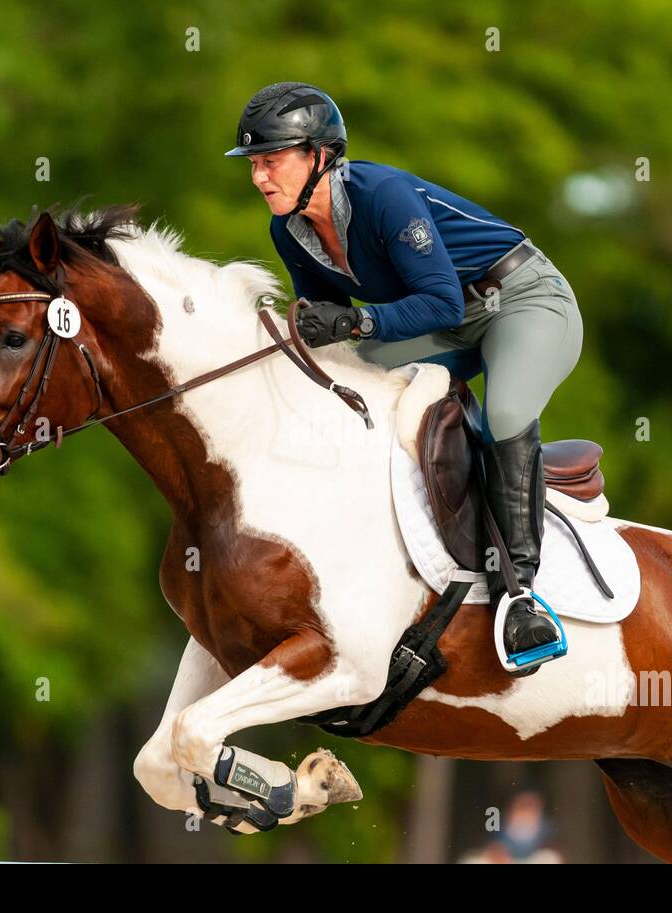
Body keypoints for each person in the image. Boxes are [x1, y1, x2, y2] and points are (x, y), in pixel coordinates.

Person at [226, 82, 583, 675]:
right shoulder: (287, 230)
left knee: (505, 414)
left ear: (320, 155)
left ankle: (520, 596)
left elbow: (440, 302)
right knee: (344, 381)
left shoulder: (383, 196)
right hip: (443, 326)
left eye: (272, 159)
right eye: (253, 163)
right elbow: (333, 328)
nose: (260, 176)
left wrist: (357, 321)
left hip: (521, 299)